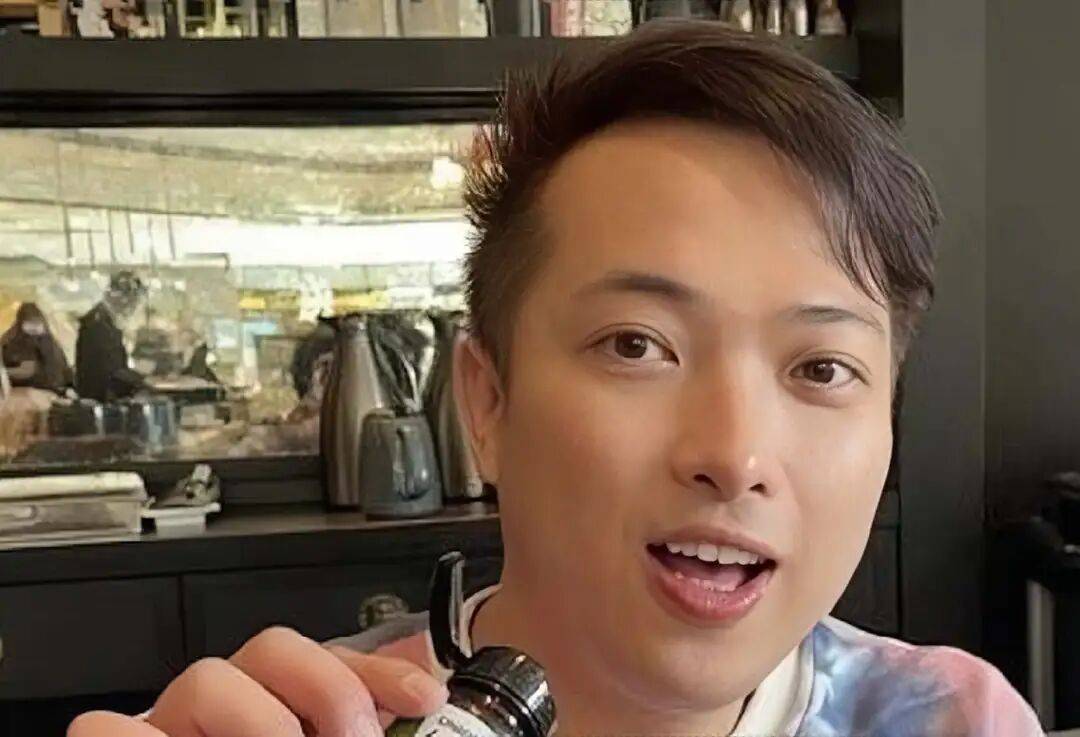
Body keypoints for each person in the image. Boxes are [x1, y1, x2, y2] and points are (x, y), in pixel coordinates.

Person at [68, 21, 1043, 737]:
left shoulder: (953, 717)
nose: (735, 454)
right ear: (487, 400)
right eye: (637, 345)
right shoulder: (328, 720)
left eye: (822, 367)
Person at [75, 270, 148, 402]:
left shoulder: (102, 321)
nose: (132, 308)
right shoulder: (99, 325)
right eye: (133, 302)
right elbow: (111, 371)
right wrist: (144, 381)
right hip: (101, 400)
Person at [0, 302, 74, 395]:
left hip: (48, 390)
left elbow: (28, 370)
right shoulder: (12, 340)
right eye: (30, 323)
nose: (33, 328)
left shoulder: (48, 341)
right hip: (36, 391)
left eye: (35, 323)